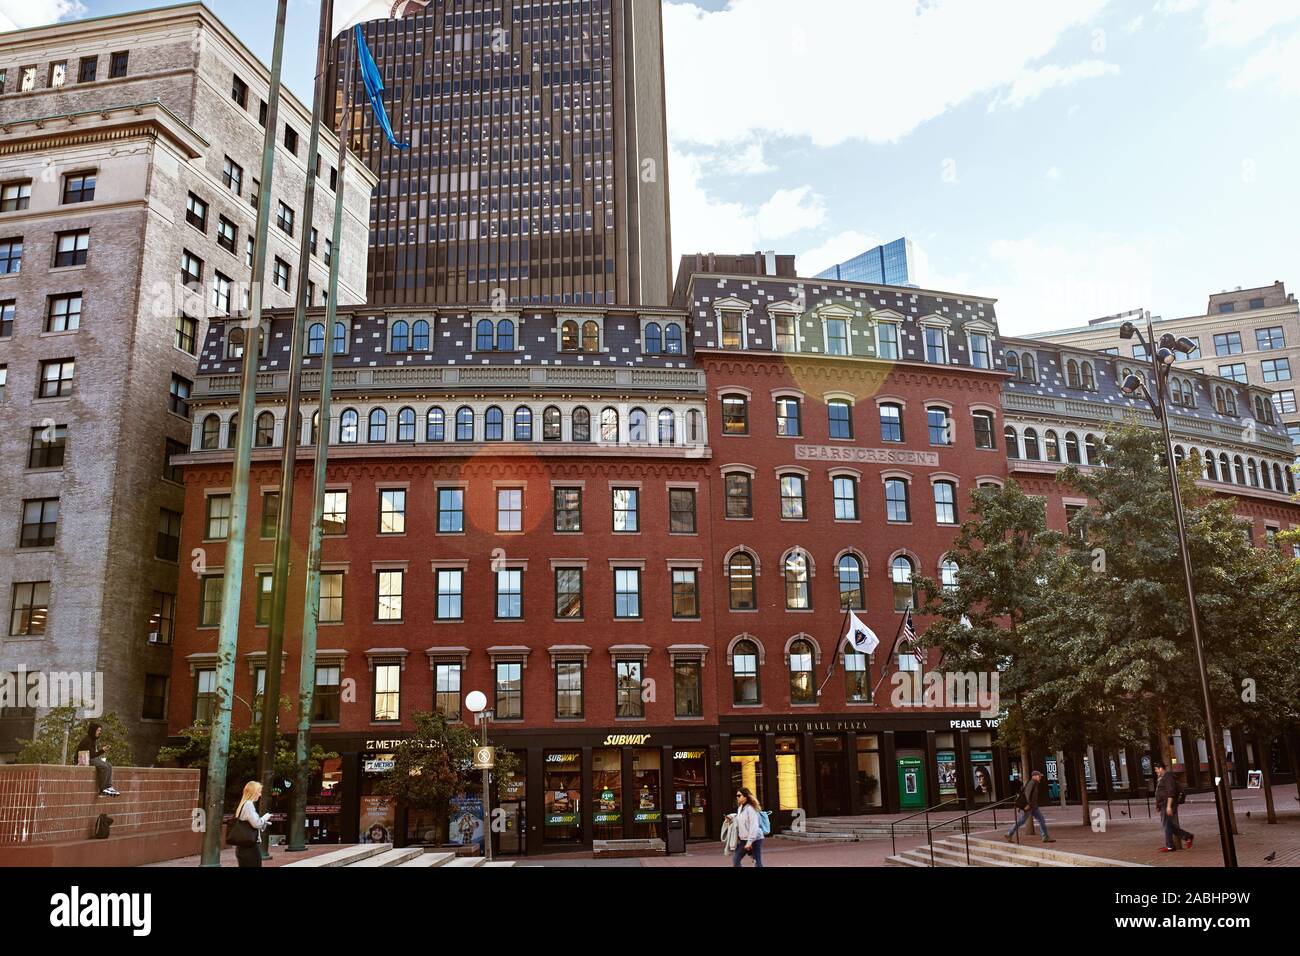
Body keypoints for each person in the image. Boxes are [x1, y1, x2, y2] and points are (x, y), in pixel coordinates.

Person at [1005, 769, 1055, 843]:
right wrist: (1028, 805)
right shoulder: (1031, 783)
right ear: (1034, 776)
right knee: (1021, 821)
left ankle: (1045, 837)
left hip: (1033, 807)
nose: (1040, 777)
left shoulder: (1035, 783)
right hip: (1029, 806)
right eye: (1039, 776)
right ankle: (1009, 833)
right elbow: (1028, 795)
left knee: (1041, 820)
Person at [1153, 761, 1193, 852]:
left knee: (1166, 825)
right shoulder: (1161, 778)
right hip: (1163, 804)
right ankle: (1187, 836)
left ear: (1161, 768)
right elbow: (1159, 792)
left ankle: (1170, 846)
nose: (1156, 771)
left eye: (1156, 769)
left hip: (1168, 804)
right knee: (1168, 825)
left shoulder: (1168, 776)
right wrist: (1158, 805)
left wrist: (1168, 806)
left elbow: (1170, 791)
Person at [234, 781, 273, 868]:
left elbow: (253, 823)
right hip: (249, 847)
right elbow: (256, 824)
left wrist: (263, 822)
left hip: (243, 847)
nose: (260, 794)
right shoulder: (248, 804)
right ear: (253, 792)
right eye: (259, 791)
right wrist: (265, 818)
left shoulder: (244, 804)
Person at [75, 721, 118, 797]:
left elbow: (93, 755)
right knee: (104, 767)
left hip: (90, 758)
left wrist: (101, 752)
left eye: (100, 731)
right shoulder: (87, 740)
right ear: (93, 730)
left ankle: (108, 786)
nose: (99, 732)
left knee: (109, 765)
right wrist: (102, 750)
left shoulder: (92, 740)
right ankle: (103, 789)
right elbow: (92, 755)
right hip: (84, 760)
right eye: (98, 730)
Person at [731, 788, 764, 868]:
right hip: (743, 839)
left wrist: (750, 842)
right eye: (736, 796)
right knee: (736, 860)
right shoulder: (740, 808)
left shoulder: (751, 809)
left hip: (755, 839)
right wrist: (731, 817)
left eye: (739, 795)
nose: (737, 797)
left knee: (757, 862)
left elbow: (754, 826)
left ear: (745, 797)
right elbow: (740, 820)